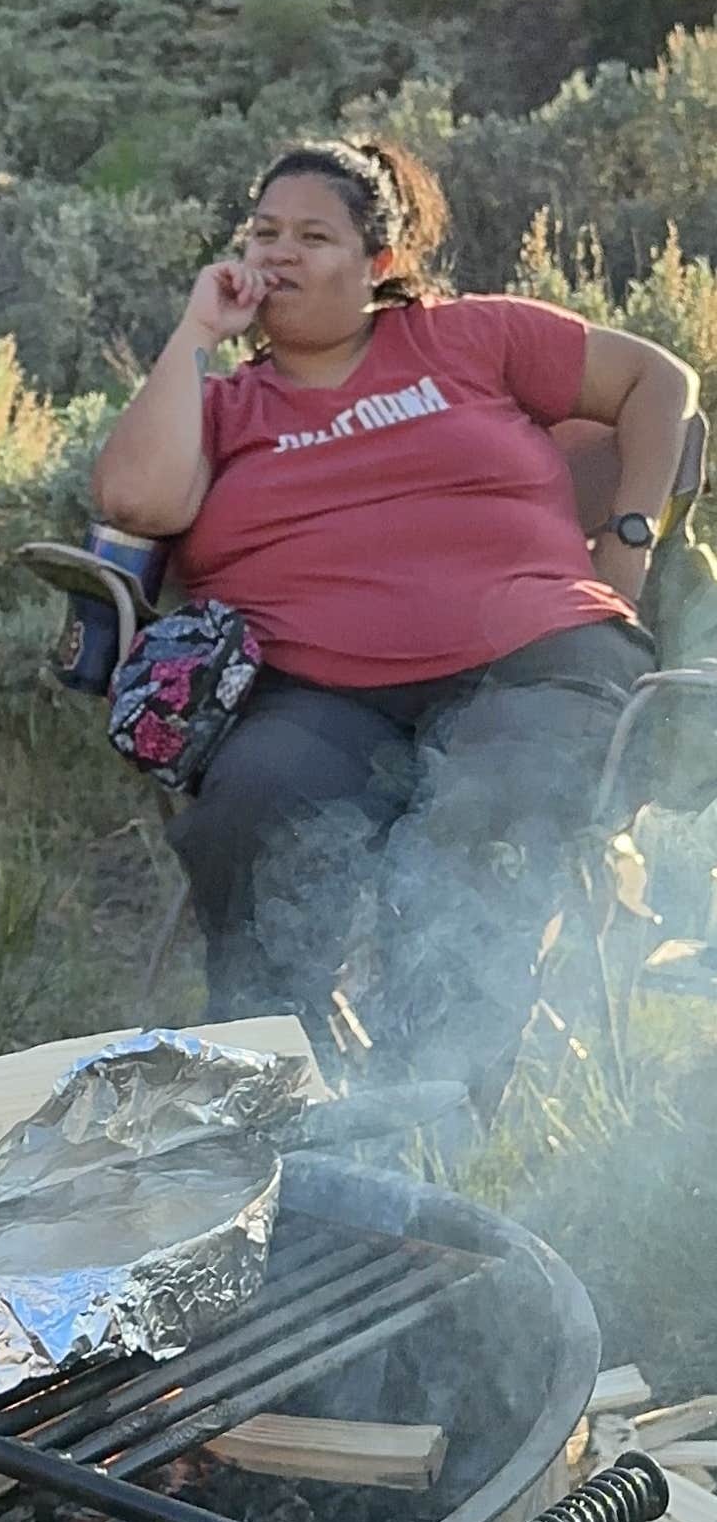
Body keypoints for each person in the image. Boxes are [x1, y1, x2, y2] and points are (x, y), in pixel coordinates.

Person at [89, 133, 692, 1091]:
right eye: (263, 233)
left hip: (533, 659)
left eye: (313, 237)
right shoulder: (229, 405)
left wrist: (628, 538)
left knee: (487, 816)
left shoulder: (470, 338)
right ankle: (284, 1103)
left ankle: (437, 1107)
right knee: (249, 812)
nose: (278, 254)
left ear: (381, 264)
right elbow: (134, 503)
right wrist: (196, 337)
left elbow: (661, 383)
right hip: (315, 690)